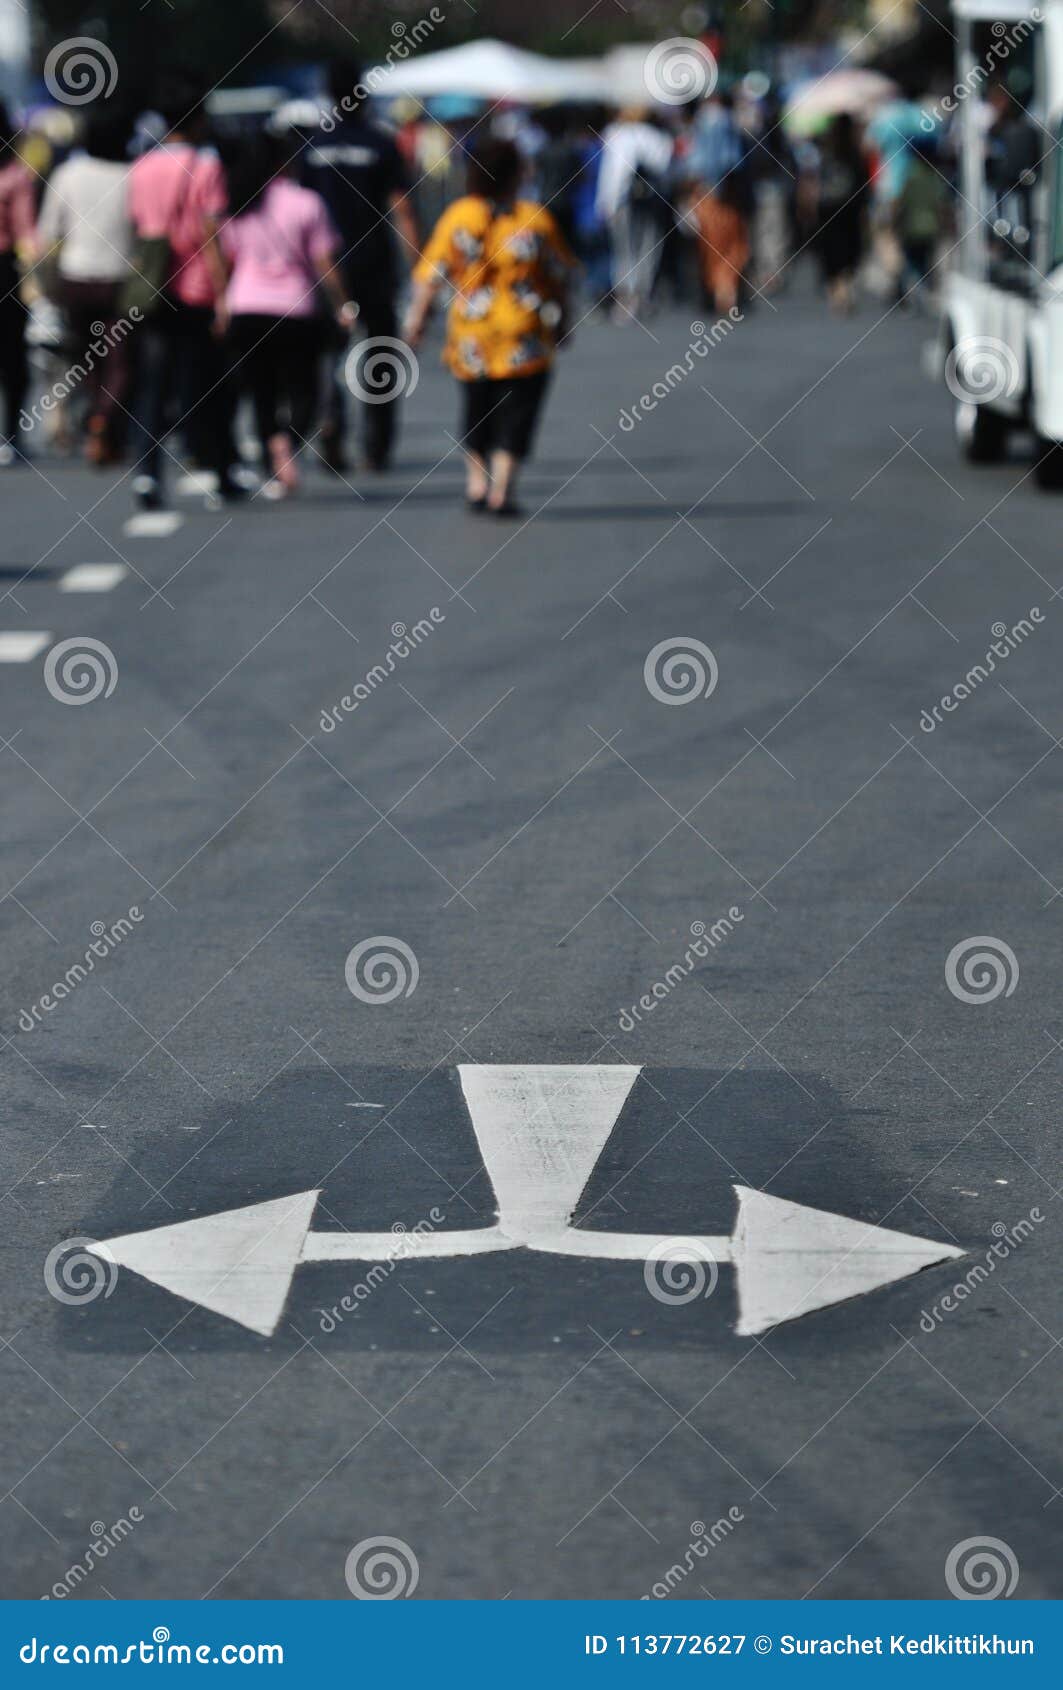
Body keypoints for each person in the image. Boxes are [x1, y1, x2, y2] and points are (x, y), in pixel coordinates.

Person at [404, 137, 573, 517]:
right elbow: (559, 276)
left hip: (471, 334)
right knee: (518, 411)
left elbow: (431, 275)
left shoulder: (459, 216)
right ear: (516, 174)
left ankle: (476, 482)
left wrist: (415, 322)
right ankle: (502, 489)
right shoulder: (535, 219)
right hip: (523, 333)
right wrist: (565, 320)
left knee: (476, 407)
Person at [207, 132, 352, 500]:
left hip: (246, 307)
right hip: (295, 308)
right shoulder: (306, 202)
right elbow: (325, 263)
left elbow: (224, 258)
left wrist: (222, 304)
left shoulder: (240, 202)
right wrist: (342, 303)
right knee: (305, 388)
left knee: (261, 391)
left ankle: (272, 456)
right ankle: (289, 443)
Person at [125, 73, 243, 511]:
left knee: (152, 387)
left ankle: (147, 475)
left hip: (153, 289)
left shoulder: (141, 166)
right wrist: (224, 294)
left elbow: (137, 228)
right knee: (206, 385)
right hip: (194, 288)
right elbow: (210, 232)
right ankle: (217, 468)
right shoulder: (205, 165)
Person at [300, 57, 418, 474]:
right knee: (380, 354)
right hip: (374, 264)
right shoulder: (380, 144)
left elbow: (297, 209)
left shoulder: (312, 145)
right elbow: (401, 207)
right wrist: (417, 266)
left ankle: (330, 421)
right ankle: (377, 445)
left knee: (326, 354)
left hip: (325, 267)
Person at [35, 104, 134, 464]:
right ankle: (105, 420)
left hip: (75, 279)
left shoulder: (68, 174)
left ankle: (95, 415)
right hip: (120, 281)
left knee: (86, 357)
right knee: (120, 361)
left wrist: (44, 283)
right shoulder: (132, 175)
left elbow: (47, 234)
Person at [595, 107, 673, 321]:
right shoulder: (657, 137)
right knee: (649, 247)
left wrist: (607, 203)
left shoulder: (618, 135)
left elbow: (614, 173)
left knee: (624, 250)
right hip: (651, 200)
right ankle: (642, 295)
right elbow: (666, 168)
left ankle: (626, 299)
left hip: (625, 202)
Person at [687, 89, 753, 314]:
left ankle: (720, 292)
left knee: (711, 247)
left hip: (708, 194)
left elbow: (696, 164)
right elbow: (731, 160)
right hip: (724, 195)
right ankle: (726, 292)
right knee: (732, 245)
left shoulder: (704, 121)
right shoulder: (724, 121)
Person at [0, 101, 35, 467]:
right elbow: (26, 235)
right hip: (5, 273)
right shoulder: (15, 177)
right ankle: (11, 434)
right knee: (12, 357)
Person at [809, 113, 870, 315]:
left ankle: (837, 292)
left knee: (831, 251)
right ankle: (845, 287)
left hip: (827, 209)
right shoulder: (856, 152)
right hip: (850, 208)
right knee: (850, 249)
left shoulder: (825, 152)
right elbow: (864, 185)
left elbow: (816, 182)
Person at [894, 135, 948, 306]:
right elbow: (941, 204)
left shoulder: (909, 175)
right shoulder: (935, 176)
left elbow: (901, 202)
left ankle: (909, 295)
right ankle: (922, 293)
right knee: (925, 262)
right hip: (930, 227)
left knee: (910, 262)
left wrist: (895, 222)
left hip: (911, 226)